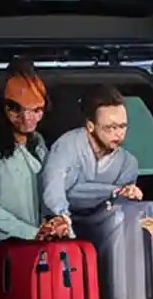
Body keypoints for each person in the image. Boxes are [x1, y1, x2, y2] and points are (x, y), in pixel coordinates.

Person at [0, 59, 65, 249]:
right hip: (4, 248)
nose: (27, 117)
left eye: (36, 110)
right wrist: (30, 232)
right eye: (16, 109)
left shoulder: (40, 146)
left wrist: (55, 223)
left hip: (38, 245)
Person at [40, 85, 142, 231]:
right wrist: (62, 218)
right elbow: (53, 191)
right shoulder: (68, 145)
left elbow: (120, 211)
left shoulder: (128, 163)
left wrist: (126, 194)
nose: (119, 134)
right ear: (90, 126)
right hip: (62, 225)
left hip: (104, 226)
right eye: (110, 127)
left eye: (122, 126)